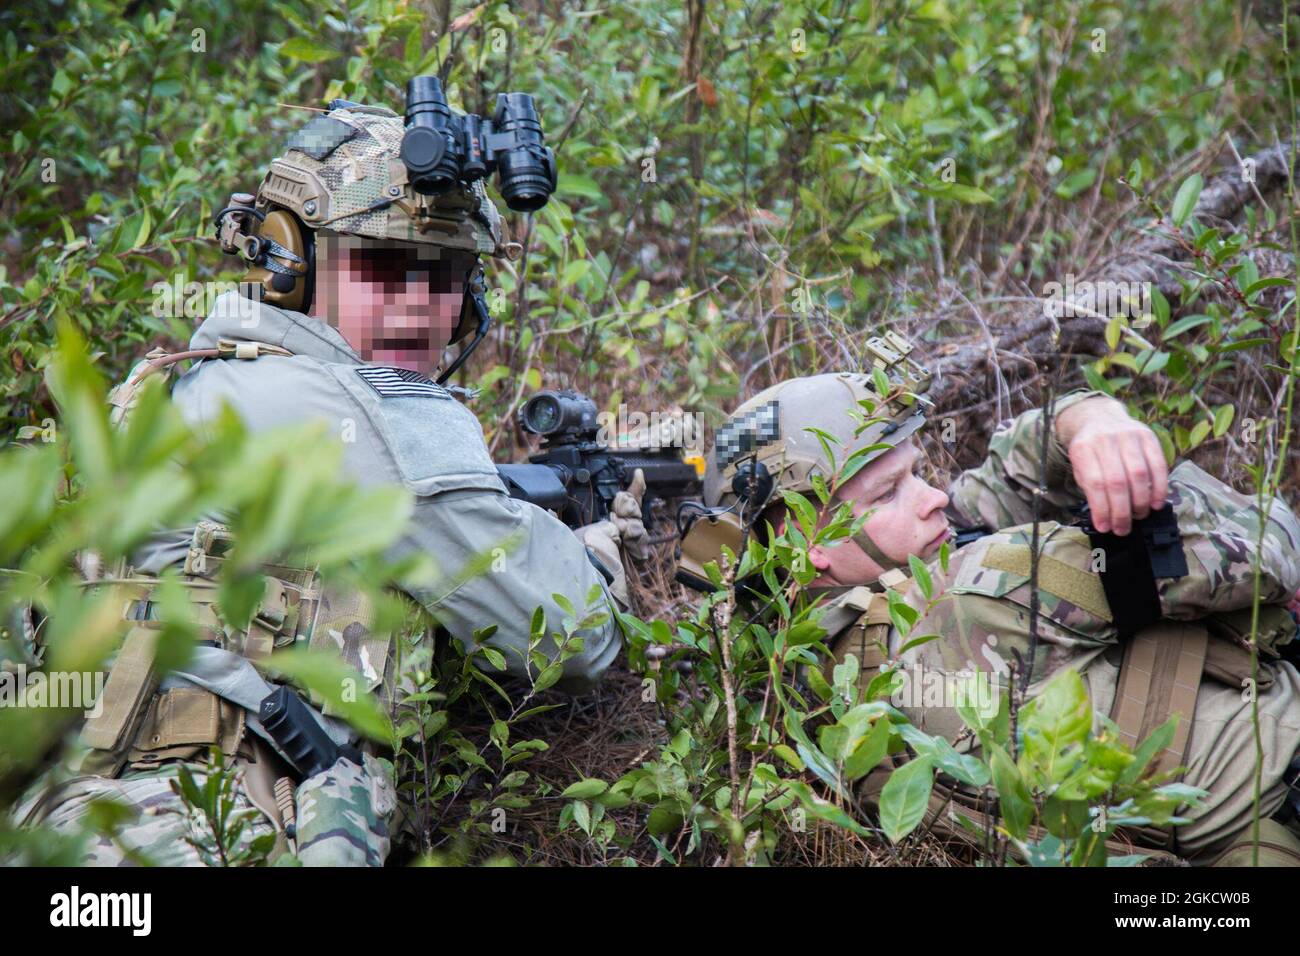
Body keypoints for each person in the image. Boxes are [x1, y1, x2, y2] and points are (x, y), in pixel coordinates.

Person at [14, 89, 638, 865]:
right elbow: (571, 638)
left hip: (78, 815)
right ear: (292, 264)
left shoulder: (186, 377)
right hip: (188, 826)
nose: (419, 305)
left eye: (446, 274)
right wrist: (609, 554)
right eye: (382, 266)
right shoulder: (351, 405)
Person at [691, 332, 1300, 864]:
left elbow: (990, 493)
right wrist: (1128, 463)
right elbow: (1270, 549)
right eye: (888, 492)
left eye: (917, 471)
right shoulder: (986, 587)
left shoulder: (781, 676)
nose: (930, 497)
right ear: (807, 538)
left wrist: (1084, 424)